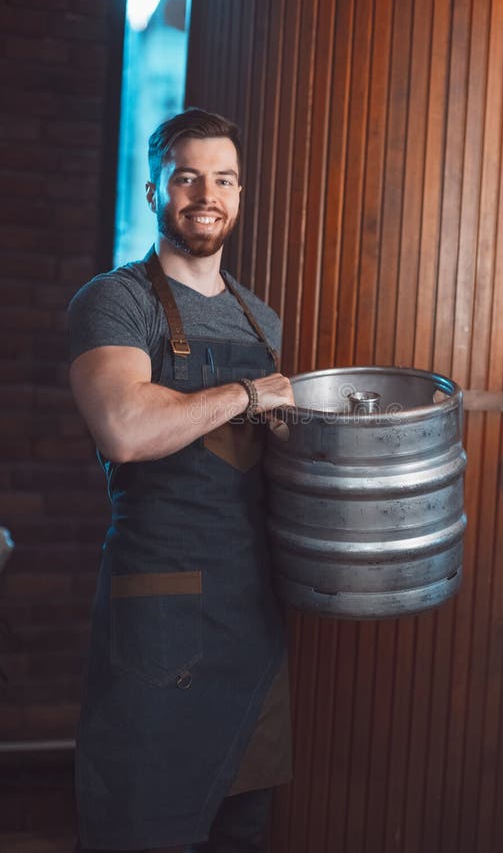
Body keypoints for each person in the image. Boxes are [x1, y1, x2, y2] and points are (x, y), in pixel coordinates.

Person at [67, 107, 295, 852]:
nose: (207, 193)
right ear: (154, 191)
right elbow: (126, 429)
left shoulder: (262, 321)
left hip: (251, 614)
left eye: (223, 178)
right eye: (188, 176)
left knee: (243, 829)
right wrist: (249, 396)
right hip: (161, 609)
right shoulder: (117, 300)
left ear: (240, 194)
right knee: (143, 828)